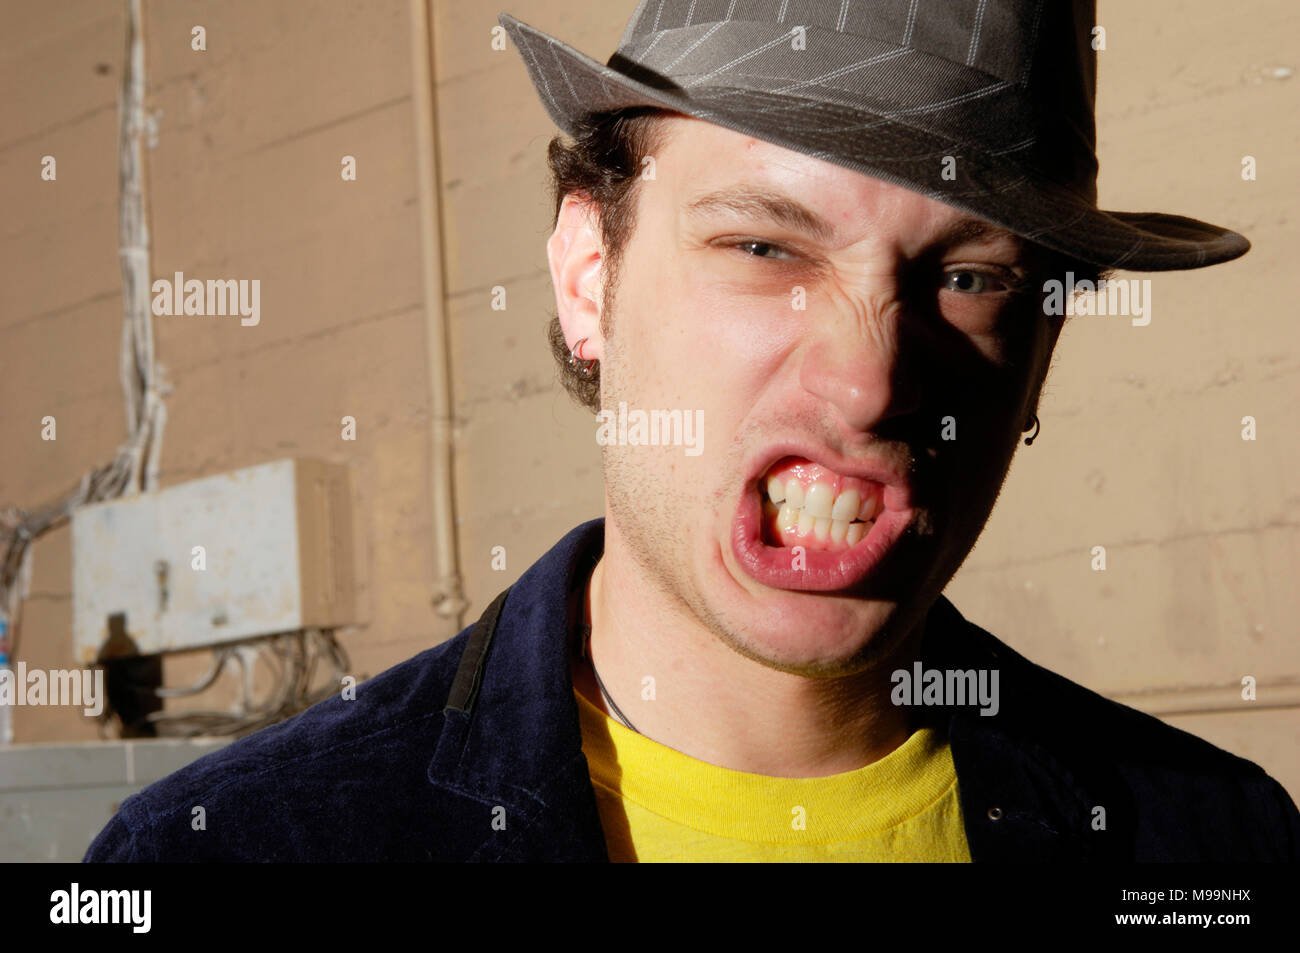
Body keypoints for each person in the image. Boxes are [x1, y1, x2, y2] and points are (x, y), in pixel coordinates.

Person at [85, 0, 1299, 862]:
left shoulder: (1208, 837)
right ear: (584, 275)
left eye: (973, 278)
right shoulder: (241, 852)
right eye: (764, 245)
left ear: (1040, 356)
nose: (868, 381)